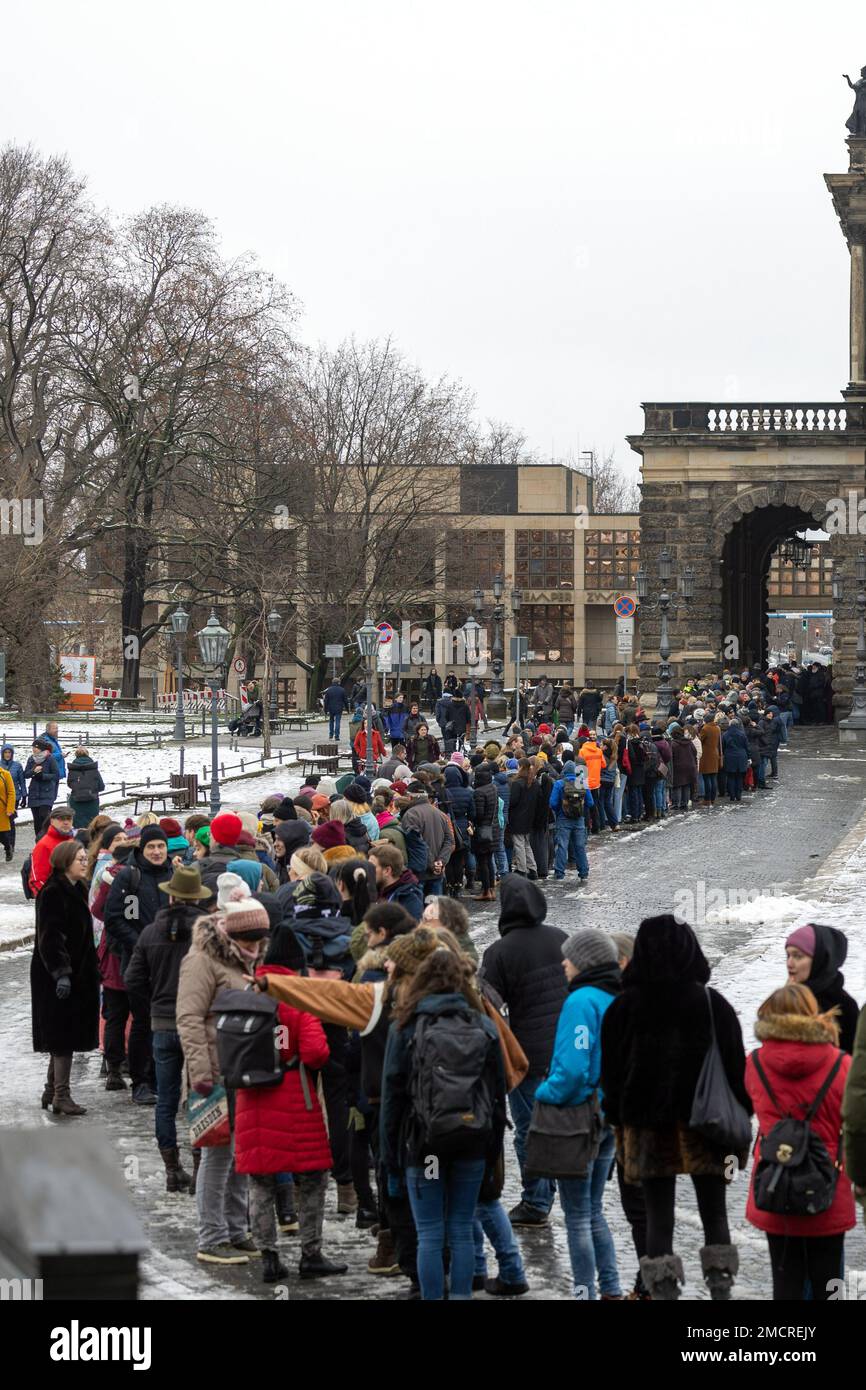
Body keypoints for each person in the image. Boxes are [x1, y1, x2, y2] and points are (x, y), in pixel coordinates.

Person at [601, 914, 750, 1301]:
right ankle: (721, 1291)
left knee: (658, 1217)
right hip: (707, 1123)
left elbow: (611, 1076)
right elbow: (736, 1067)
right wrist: (741, 1112)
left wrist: (617, 1117)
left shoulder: (623, 1008)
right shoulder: (711, 1002)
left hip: (647, 1128)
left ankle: (663, 1294)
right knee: (714, 1213)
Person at [380, 947, 507, 1300]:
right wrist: (491, 1152)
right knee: (461, 1228)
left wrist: (390, 1162)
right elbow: (498, 1097)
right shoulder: (483, 1025)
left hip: (426, 1147)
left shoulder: (405, 1026)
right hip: (471, 1141)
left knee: (431, 1233)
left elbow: (392, 1098)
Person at [235, 924, 348, 1283]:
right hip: (294, 1100)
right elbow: (317, 1052)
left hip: (252, 1099)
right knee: (314, 1177)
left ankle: (269, 1257)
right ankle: (310, 1253)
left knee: (261, 1181)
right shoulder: (297, 1000)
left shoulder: (247, 992)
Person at [744, 983, 854, 1301]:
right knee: (829, 1284)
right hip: (826, 1186)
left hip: (776, 1185)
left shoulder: (755, 1064)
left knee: (786, 1285)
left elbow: (752, 1105)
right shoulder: (841, 1064)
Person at [177, 894, 270, 1264]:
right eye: (250, 941)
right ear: (231, 936)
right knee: (217, 1157)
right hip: (212, 1076)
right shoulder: (201, 960)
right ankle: (211, 1237)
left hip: (242, 1073)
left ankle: (236, 1229)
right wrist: (201, 1075)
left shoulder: (245, 959)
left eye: (260, 942)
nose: (256, 948)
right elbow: (189, 1018)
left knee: (237, 1155)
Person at [535, 931, 623, 1299]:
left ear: (584, 961)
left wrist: (544, 1091)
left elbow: (572, 1069)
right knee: (593, 1211)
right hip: (609, 1118)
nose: (563, 963)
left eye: (568, 957)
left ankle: (584, 1291)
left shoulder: (581, 1001)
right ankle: (611, 1287)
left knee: (577, 1216)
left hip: (579, 1119)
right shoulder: (615, 998)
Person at [480, 875, 566, 1226]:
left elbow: (487, 1007)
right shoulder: (560, 938)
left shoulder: (499, 952)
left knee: (529, 1129)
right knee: (561, 1122)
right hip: (563, 1050)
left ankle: (536, 1199)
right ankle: (553, 1186)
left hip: (525, 1054)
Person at [124, 863, 213, 1193]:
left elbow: (133, 978)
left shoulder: (149, 932)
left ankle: (172, 1169)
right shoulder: (206, 931)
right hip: (199, 1023)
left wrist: (152, 1005)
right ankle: (200, 1165)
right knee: (201, 1095)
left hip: (162, 1023)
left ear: (172, 896)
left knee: (166, 1098)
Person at [104, 824, 173, 1104]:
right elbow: (117, 919)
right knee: (143, 1022)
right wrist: (142, 943)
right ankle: (141, 1081)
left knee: (166, 1024)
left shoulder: (175, 874)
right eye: (151, 847)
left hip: (169, 965)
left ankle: (161, 1078)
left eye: (161, 846)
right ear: (142, 849)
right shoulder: (131, 878)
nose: (157, 852)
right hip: (139, 964)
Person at [31, 839, 99, 1115]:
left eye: (85, 858)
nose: (85, 862)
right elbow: (50, 938)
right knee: (62, 1036)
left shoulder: (77, 888)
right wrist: (62, 974)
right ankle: (61, 1095)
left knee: (62, 1034)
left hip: (76, 973)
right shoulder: (53, 892)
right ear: (65, 862)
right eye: (80, 859)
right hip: (55, 975)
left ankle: (51, 1089)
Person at [784, 924, 860, 1054]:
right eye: (788, 955)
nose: (789, 963)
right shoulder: (783, 999)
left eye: (798, 956)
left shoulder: (844, 1007)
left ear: (820, 959)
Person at [549, 760, 591, 882]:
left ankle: (559, 873)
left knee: (562, 846)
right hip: (579, 820)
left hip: (563, 819)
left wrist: (560, 811)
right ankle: (583, 872)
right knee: (580, 846)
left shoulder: (559, 784)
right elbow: (590, 802)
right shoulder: (581, 783)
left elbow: (553, 803)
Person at [369, 841, 424, 922]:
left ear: (387, 871)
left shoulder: (409, 899)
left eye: (371, 867)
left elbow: (412, 932)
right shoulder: (374, 890)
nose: (367, 870)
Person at [30, 803, 76, 895]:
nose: (66, 822)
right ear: (52, 821)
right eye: (61, 819)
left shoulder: (73, 841)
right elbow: (37, 880)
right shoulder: (44, 845)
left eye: (69, 819)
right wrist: (49, 899)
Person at [506, 758, 539, 877]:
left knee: (519, 843)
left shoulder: (517, 783)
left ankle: (522, 868)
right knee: (526, 843)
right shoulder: (534, 782)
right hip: (529, 816)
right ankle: (532, 868)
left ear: (521, 767)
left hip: (517, 817)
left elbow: (513, 801)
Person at [24, 739, 61, 839]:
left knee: (44, 818)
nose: (34, 749)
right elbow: (26, 774)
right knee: (36, 821)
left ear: (41, 748)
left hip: (47, 794)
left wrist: (43, 776)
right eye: (33, 747)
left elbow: (56, 774)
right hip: (34, 794)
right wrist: (33, 771)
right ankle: (39, 843)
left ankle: (48, 839)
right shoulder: (31, 759)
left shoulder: (50, 759)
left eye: (36, 747)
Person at [66, 746, 106, 829]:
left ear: (76, 755)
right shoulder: (93, 769)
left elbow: (70, 784)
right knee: (92, 826)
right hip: (92, 801)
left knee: (78, 827)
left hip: (76, 800)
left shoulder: (72, 769)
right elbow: (101, 786)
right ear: (87, 755)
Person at [721, 717, 749, 802]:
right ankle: (738, 795)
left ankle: (732, 796)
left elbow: (723, 746)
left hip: (730, 757)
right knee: (740, 777)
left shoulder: (725, 734)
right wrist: (749, 757)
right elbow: (746, 746)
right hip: (741, 756)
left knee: (731, 776)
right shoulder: (742, 734)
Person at [0, 755, 17, 863]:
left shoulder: (5, 774)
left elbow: (11, 792)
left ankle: (8, 847)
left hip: (2, 809)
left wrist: (10, 808)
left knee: (2, 834)